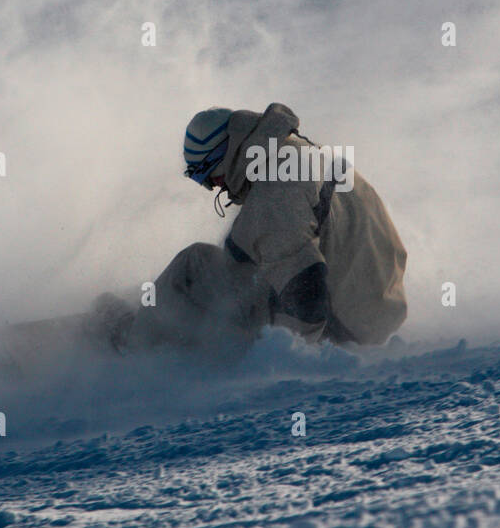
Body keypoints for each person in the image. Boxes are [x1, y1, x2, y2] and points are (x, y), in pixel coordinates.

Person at [102, 102, 408, 361]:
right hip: (376, 307)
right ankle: (145, 313)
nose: (213, 186)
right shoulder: (300, 154)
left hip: (341, 328)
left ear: (226, 153)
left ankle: (130, 345)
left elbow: (306, 288)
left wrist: (288, 360)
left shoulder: (275, 196)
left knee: (192, 266)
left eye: (207, 175)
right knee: (225, 265)